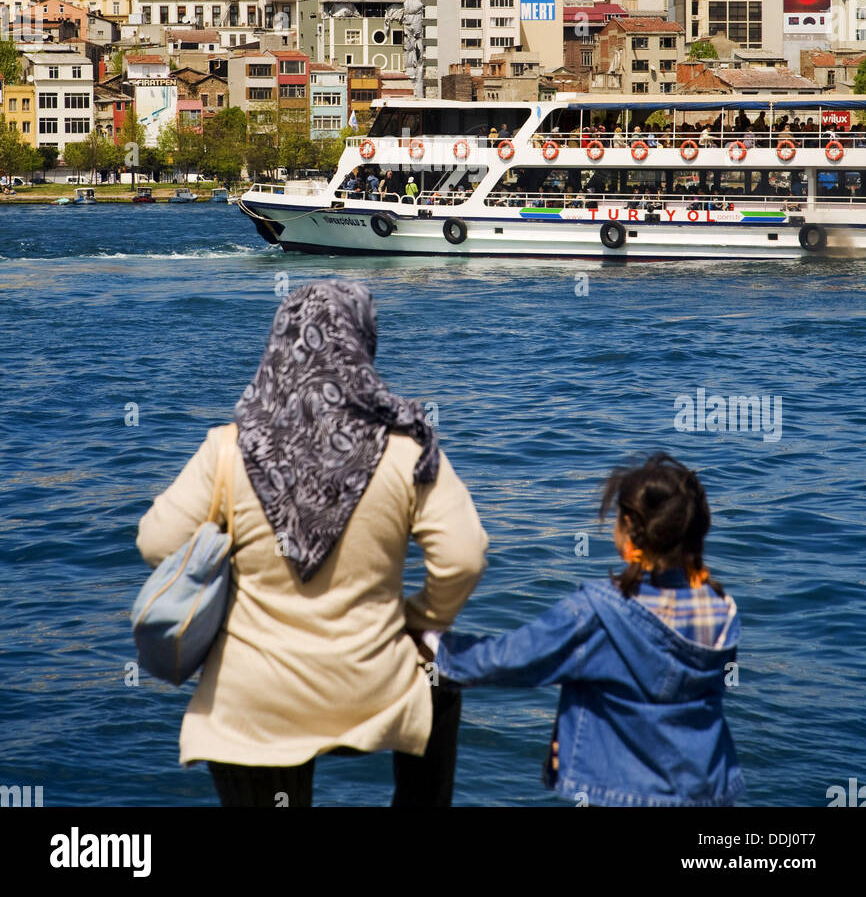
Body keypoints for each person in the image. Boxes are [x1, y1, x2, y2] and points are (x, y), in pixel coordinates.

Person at [137, 281, 488, 808]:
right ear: (361, 342)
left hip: (254, 700)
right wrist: (416, 618)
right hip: (375, 686)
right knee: (442, 680)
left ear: (281, 341)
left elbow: (157, 541)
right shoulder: (406, 448)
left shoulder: (230, 448)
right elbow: (463, 557)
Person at [426, 453, 742, 808]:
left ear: (629, 531)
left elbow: (513, 660)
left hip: (626, 794)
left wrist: (438, 652)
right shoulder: (721, 609)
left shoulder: (598, 612)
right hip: (709, 791)